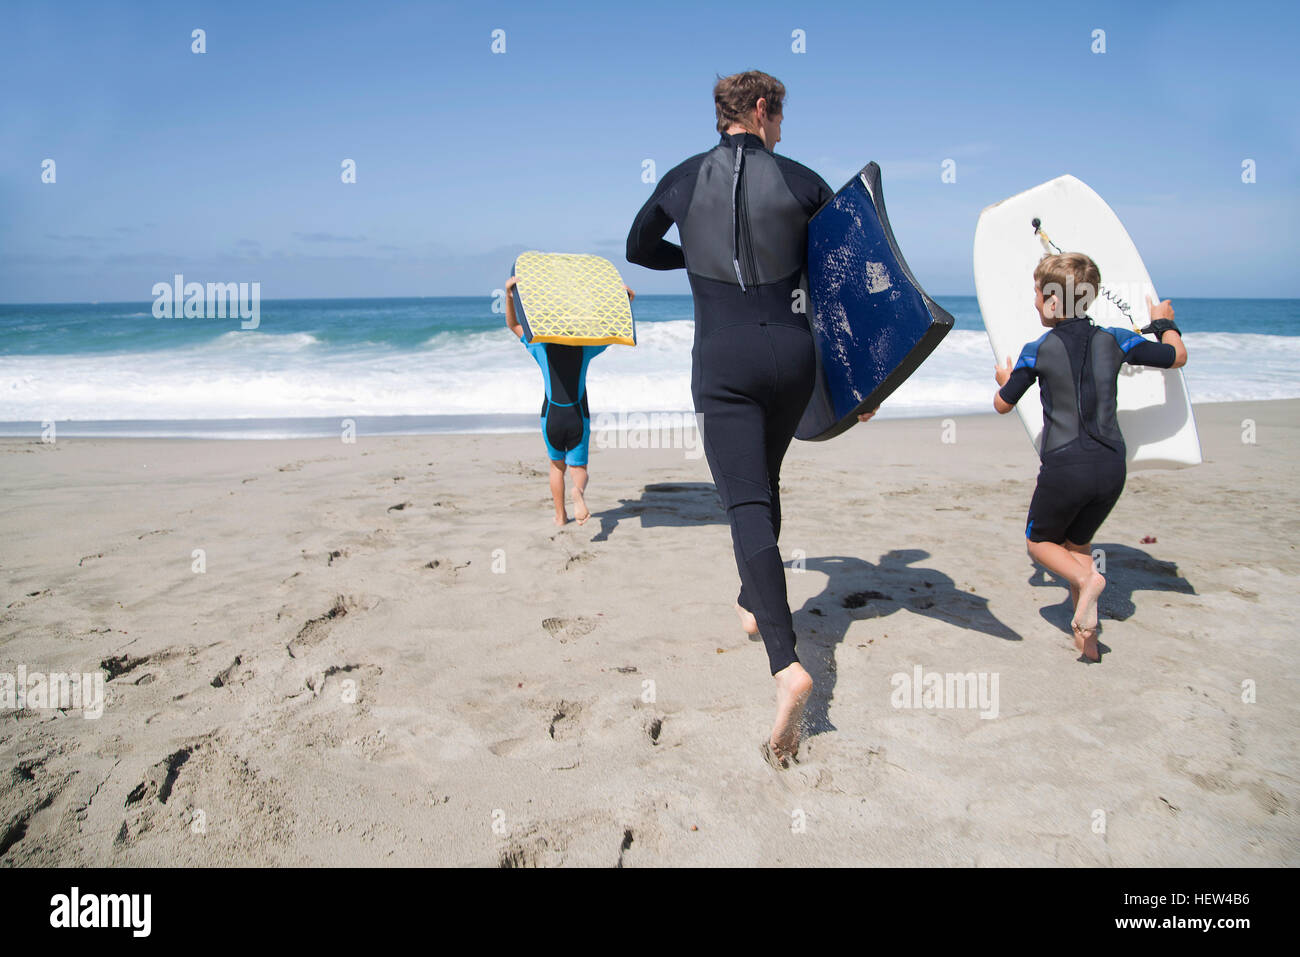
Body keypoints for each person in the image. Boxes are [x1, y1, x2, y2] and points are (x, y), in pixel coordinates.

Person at [625, 69, 875, 769]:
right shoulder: (802, 181)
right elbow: (844, 284)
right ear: (761, 110)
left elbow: (637, 248)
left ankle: (787, 665)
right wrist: (861, 381)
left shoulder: (680, 179)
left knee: (744, 502)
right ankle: (749, 596)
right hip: (793, 358)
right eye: (782, 114)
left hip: (725, 362)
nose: (784, 127)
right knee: (763, 481)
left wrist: (696, 260)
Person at [993, 252, 1187, 661]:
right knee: (1077, 541)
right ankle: (1088, 638)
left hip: (1065, 466)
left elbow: (1003, 404)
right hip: (1112, 466)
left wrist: (1004, 381)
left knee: (1040, 542)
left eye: (1036, 294)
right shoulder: (1117, 338)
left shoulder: (1037, 349)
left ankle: (1088, 580)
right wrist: (1164, 323)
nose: (1034, 301)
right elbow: (1175, 357)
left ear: (1049, 301)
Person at [505, 274, 633, 527]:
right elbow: (614, 331)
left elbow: (514, 325)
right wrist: (625, 303)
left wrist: (509, 297)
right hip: (578, 416)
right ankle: (579, 492)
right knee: (579, 469)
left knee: (556, 467)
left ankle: (561, 516)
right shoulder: (585, 348)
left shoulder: (539, 346)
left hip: (551, 416)